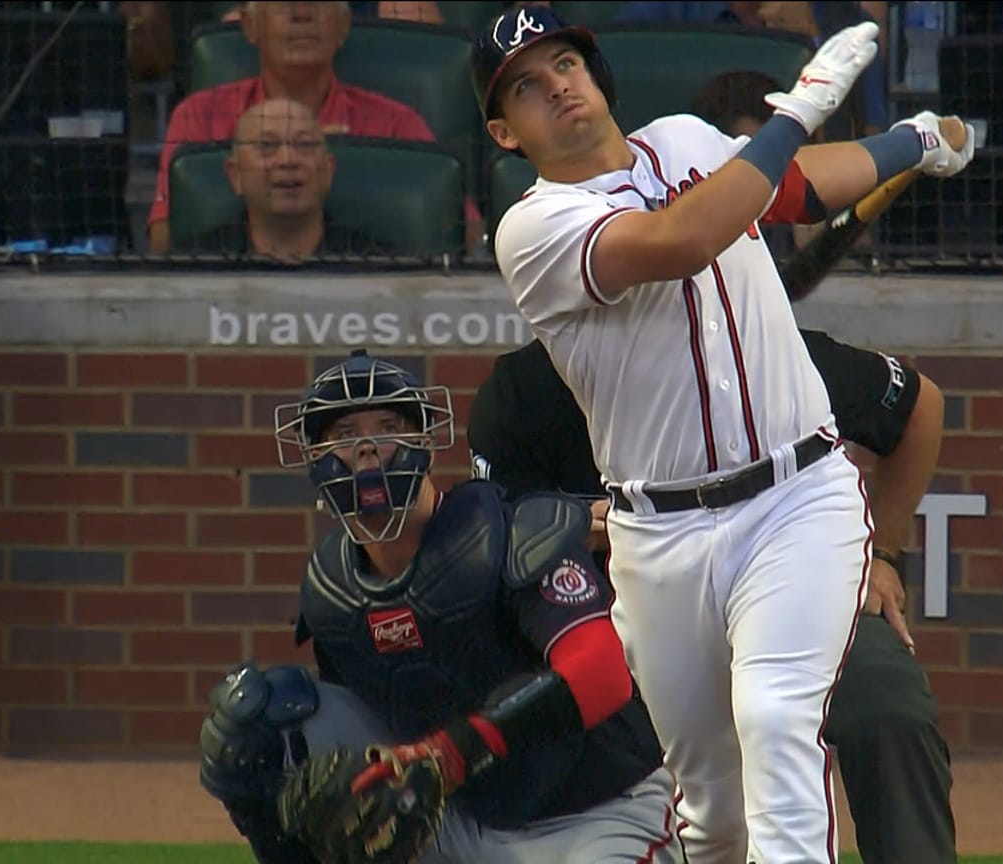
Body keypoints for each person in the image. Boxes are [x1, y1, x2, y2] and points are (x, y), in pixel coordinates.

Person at [473, 7, 973, 862]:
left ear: (596, 76)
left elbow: (790, 188)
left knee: (779, 720)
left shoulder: (684, 141)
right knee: (712, 817)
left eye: (565, 62)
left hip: (796, 496)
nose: (557, 83)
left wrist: (913, 141)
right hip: (658, 534)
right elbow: (687, 236)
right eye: (526, 83)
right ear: (503, 131)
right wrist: (797, 109)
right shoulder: (532, 228)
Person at [468, 333, 957, 864]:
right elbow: (499, 531)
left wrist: (882, 553)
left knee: (888, 707)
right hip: (613, 617)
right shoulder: (528, 384)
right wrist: (570, 523)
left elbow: (919, 406)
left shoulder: (762, 349)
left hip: (797, 583)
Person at [196, 350, 684, 864]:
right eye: (344, 434)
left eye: (387, 428)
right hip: (456, 818)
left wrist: (449, 754)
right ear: (315, 454)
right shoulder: (332, 591)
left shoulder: (511, 534)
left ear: (423, 442)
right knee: (253, 723)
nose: (366, 449)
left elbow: (603, 674)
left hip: (597, 813)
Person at [145, 1, 455, 254]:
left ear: (343, 26)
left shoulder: (396, 123)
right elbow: (163, 239)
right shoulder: (200, 115)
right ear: (251, 26)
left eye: (319, 4)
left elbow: (460, 229)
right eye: (284, 4)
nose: (302, 13)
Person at [180, 97, 392, 259]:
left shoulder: (379, 264)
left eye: (304, 145)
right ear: (235, 175)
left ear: (329, 170)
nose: (288, 160)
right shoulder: (192, 265)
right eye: (267, 146)